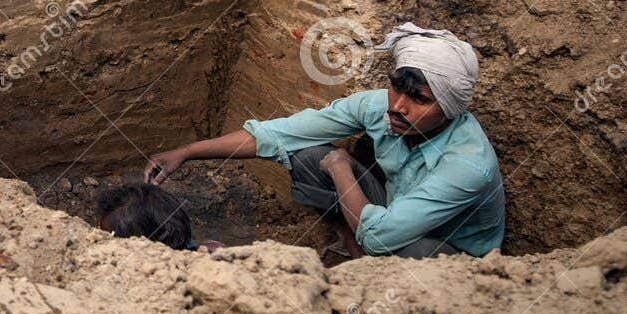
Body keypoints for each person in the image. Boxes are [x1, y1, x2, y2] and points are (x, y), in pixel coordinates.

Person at [142, 24, 505, 259]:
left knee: (392, 241)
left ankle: (362, 261)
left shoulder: (467, 167)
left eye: (420, 101)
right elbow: (279, 133)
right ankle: (349, 246)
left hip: (447, 250)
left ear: (451, 107)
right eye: (396, 88)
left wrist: (340, 167)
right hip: (392, 213)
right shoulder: (379, 106)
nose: (398, 106)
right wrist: (186, 152)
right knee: (307, 154)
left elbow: (380, 237)